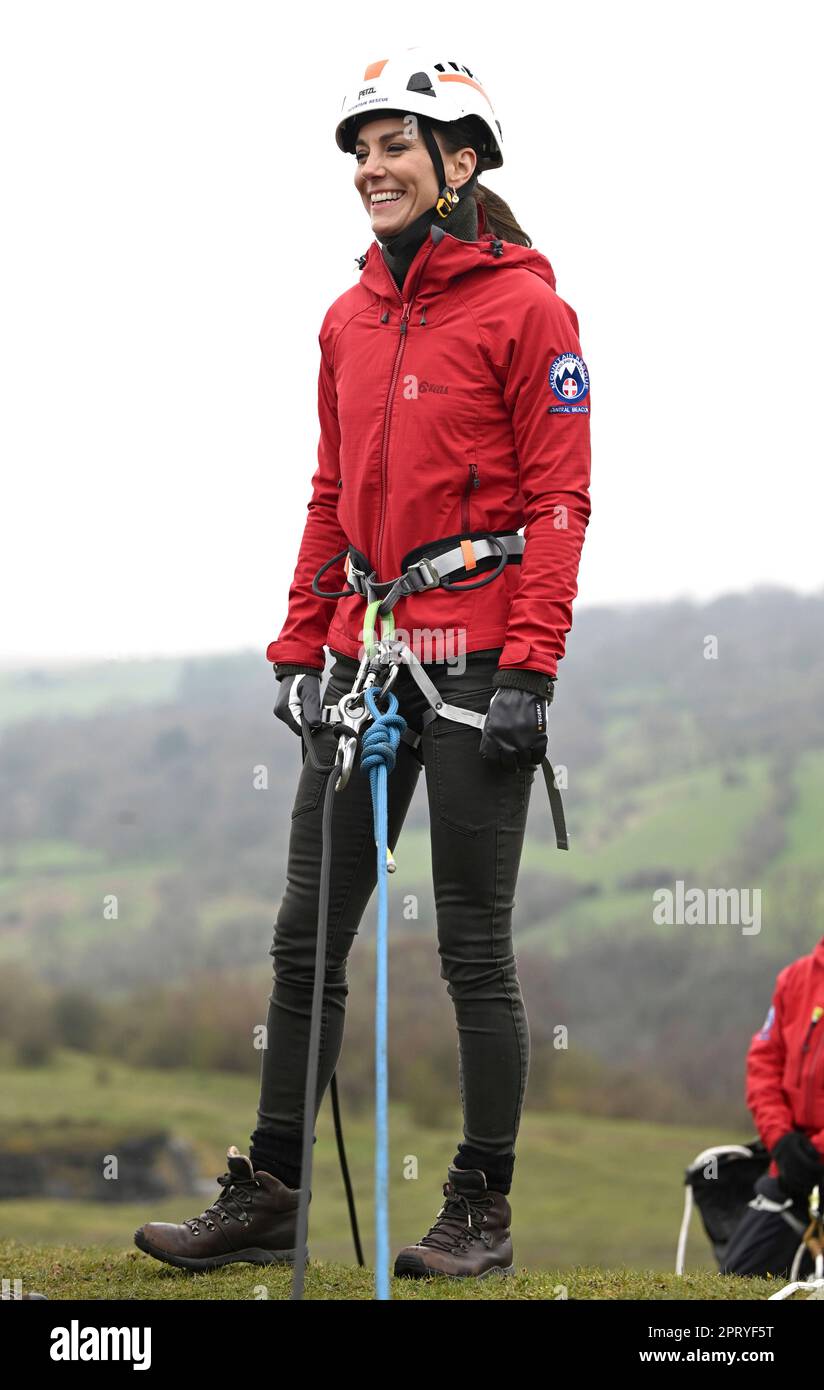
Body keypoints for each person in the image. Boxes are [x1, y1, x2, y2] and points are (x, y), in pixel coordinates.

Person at [134, 48, 591, 1280]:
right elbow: (333, 493)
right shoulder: (345, 318)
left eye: (393, 145)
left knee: (472, 950)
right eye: (359, 149)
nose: (368, 167)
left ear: (460, 163)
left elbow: (557, 501)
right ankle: (271, 1189)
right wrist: (298, 642)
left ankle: (477, 1210)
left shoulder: (530, 313)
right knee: (306, 936)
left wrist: (529, 674)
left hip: (480, 654)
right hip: (361, 652)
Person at [722, 935, 824, 1277]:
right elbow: (764, 1065)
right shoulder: (795, 979)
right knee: (734, 1281)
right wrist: (780, 1140)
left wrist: (817, 1151)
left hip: (809, 1160)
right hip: (790, 1173)